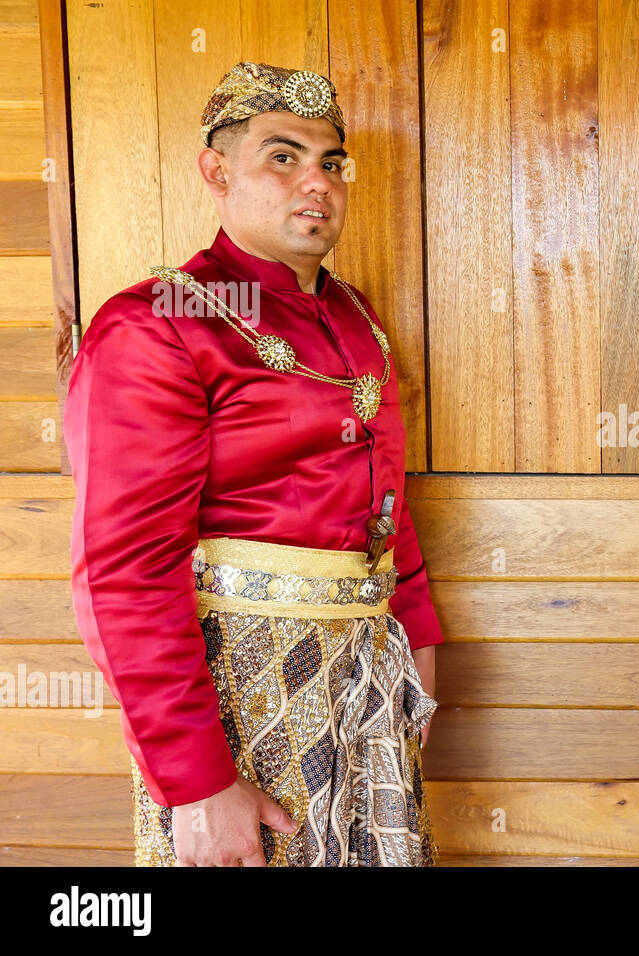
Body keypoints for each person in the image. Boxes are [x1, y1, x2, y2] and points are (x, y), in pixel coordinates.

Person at [64, 62, 445, 866]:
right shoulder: (155, 324)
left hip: (370, 678)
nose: (316, 182)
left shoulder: (352, 313)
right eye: (283, 156)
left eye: (331, 162)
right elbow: (124, 571)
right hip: (241, 693)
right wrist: (196, 782)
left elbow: (388, 504)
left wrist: (418, 645)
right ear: (217, 171)